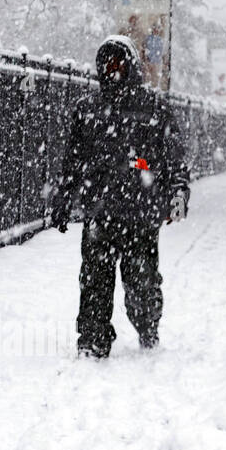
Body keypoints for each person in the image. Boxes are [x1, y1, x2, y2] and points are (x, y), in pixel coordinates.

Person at [51, 36, 191, 358]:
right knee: (94, 284)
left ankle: (147, 325)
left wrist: (178, 192)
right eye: (108, 65)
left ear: (130, 68)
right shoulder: (88, 110)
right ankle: (92, 340)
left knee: (142, 283)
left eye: (119, 65)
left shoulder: (154, 109)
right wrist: (64, 196)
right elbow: (73, 160)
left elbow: (174, 160)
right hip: (101, 213)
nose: (113, 71)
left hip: (140, 215)